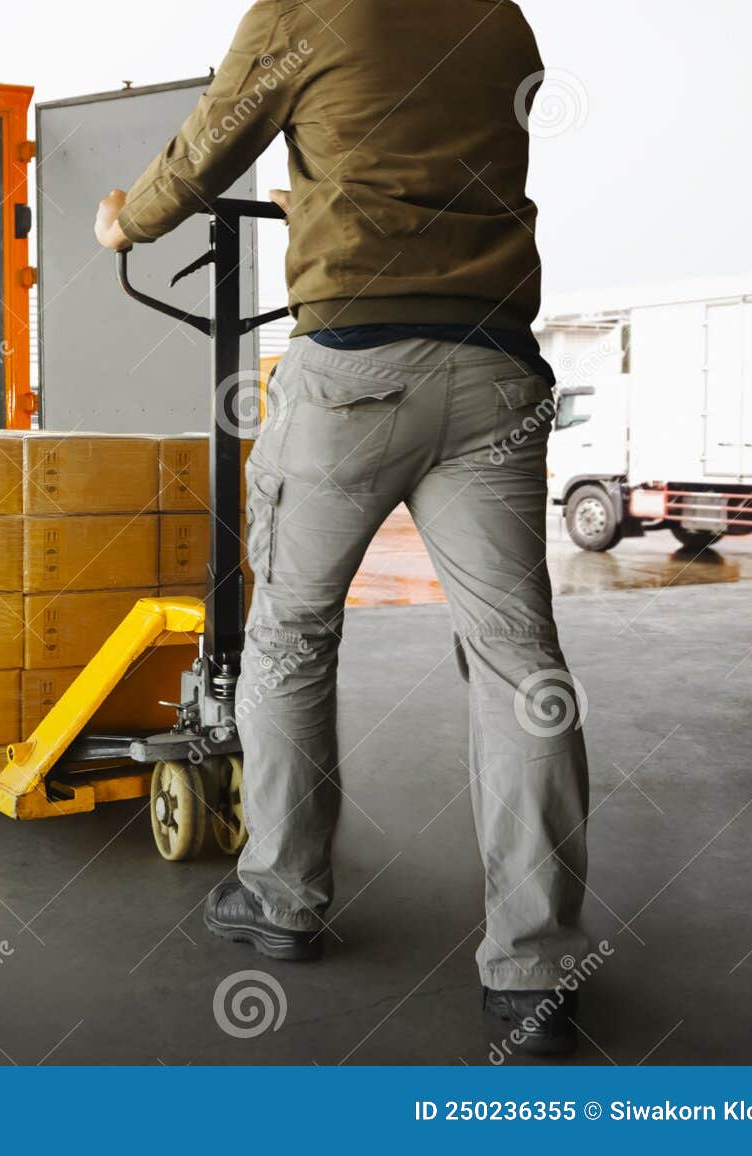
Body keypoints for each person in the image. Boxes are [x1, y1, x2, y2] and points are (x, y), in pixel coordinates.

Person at [95, 0, 590, 1056]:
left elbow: (201, 150)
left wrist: (122, 221)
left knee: (291, 632)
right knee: (518, 665)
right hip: (497, 364)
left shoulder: (306, 9)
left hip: (358, 362)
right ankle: (535, 970)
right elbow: (432, 145)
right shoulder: (501, 21)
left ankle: (281, 895)